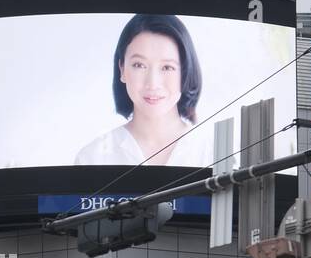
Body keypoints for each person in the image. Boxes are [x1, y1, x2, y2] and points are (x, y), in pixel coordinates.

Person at [75, 13, 211, 167]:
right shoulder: (92, 158)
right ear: (122, 69)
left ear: (186, 72)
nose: (152, 84)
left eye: (167, 67)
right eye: (139, 65)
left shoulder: (213, 155)